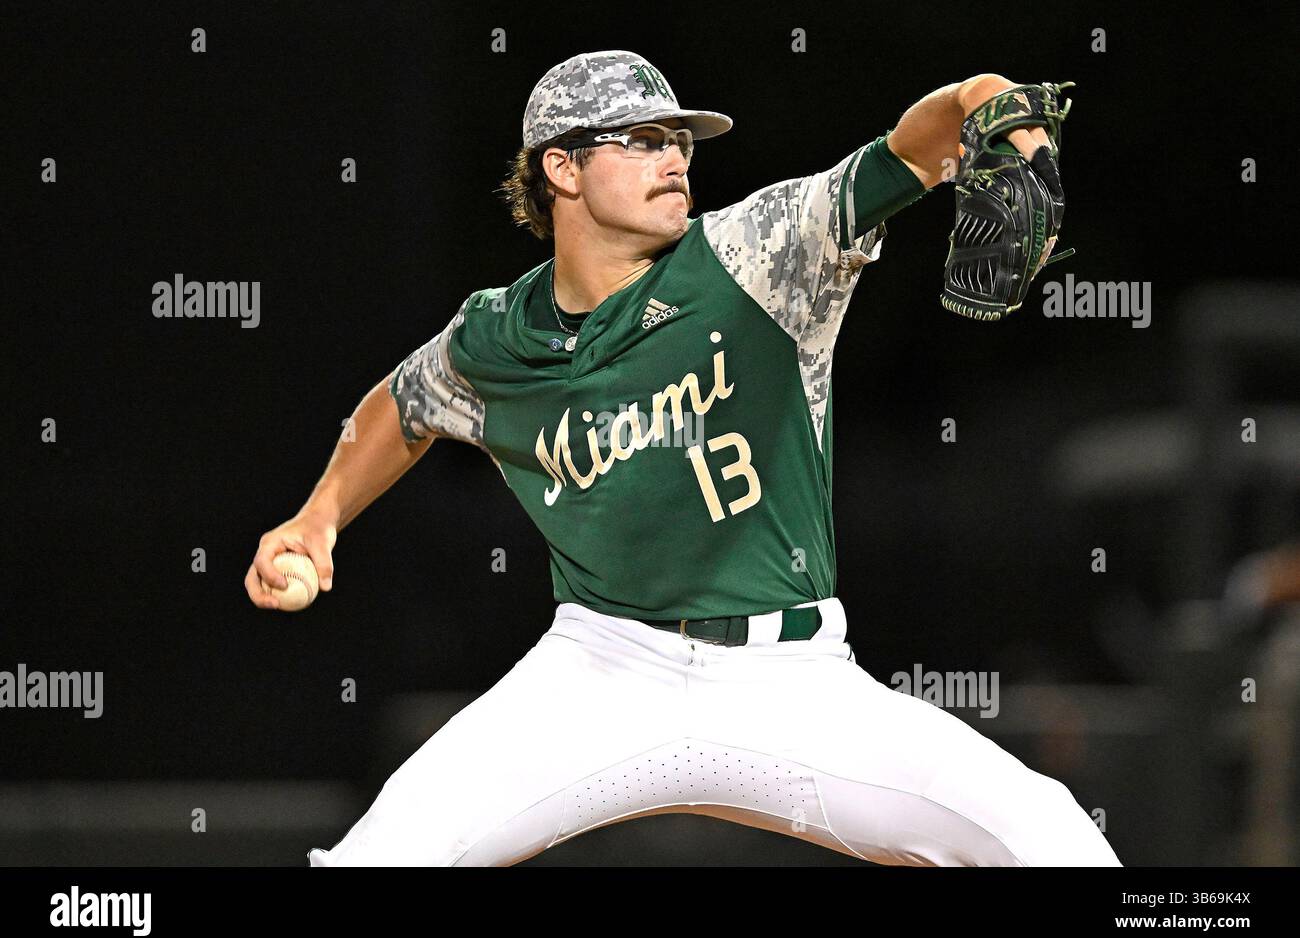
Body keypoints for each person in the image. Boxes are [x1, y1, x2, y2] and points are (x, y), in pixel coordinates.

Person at [245, 51, 1121, 866]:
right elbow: (402, 406)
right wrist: (318, 517)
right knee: (381, 856)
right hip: (600, 670)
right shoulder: (498, 336)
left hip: (792, 681)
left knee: (1052, 836)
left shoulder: (756, 255)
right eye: (644, 141)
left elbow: (908, 152)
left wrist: (984, 104)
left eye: (680, 142)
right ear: (561, 168)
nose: (677, 160)